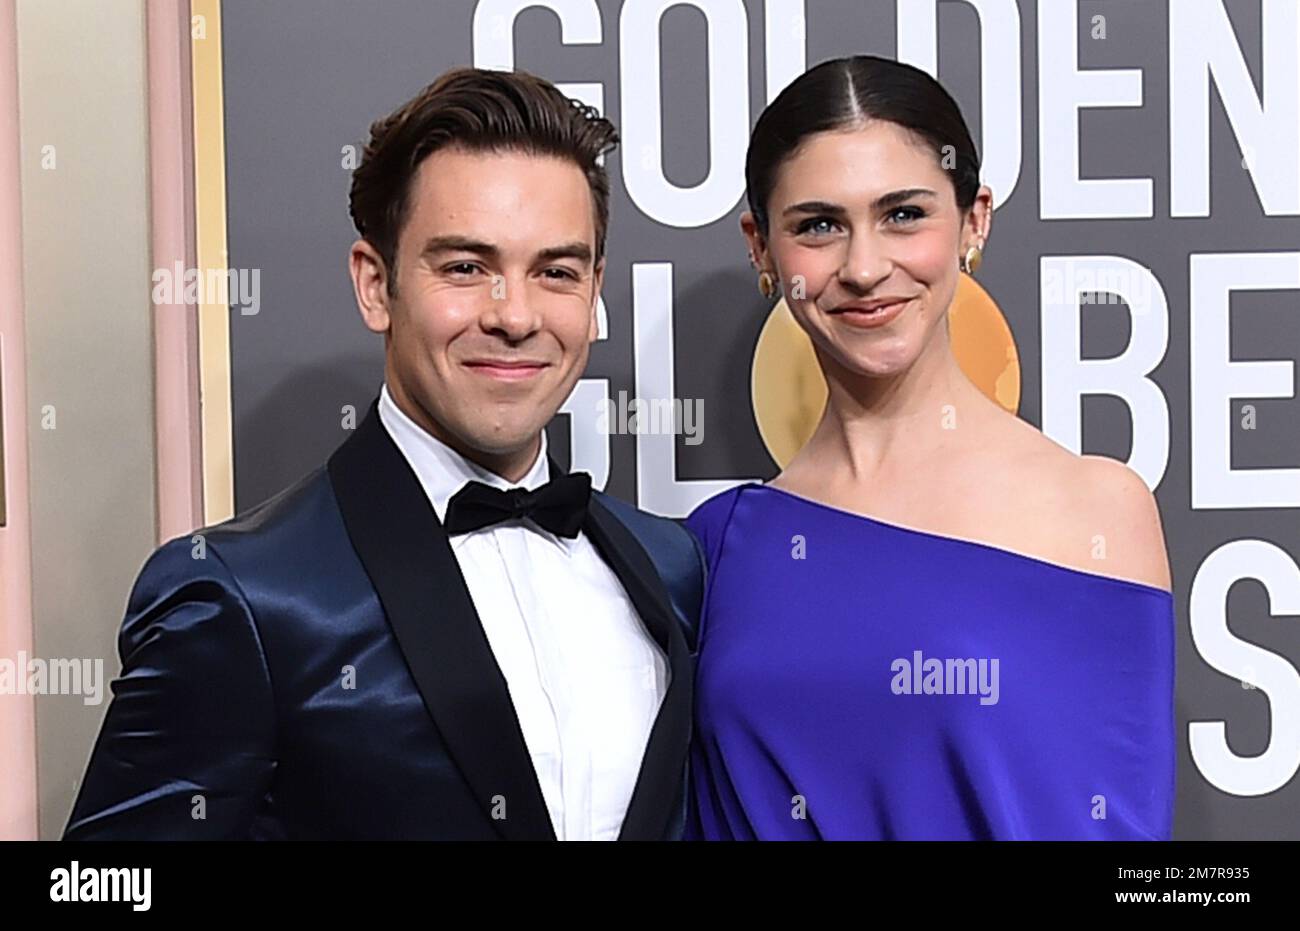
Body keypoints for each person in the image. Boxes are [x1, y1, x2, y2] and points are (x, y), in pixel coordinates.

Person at [65, 68, 701, 841]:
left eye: (555, 271)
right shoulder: (246, 595)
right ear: (376, 285)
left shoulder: (668, 566)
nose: (516, 315)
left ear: (594, 288)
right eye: (466, 268)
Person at [685, 55, 1175, 840]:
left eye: (904, 214)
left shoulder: (1094, 508)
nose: (866, 267)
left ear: (973, 220)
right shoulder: (716, 547)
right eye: (818, 225)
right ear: (762, 249)